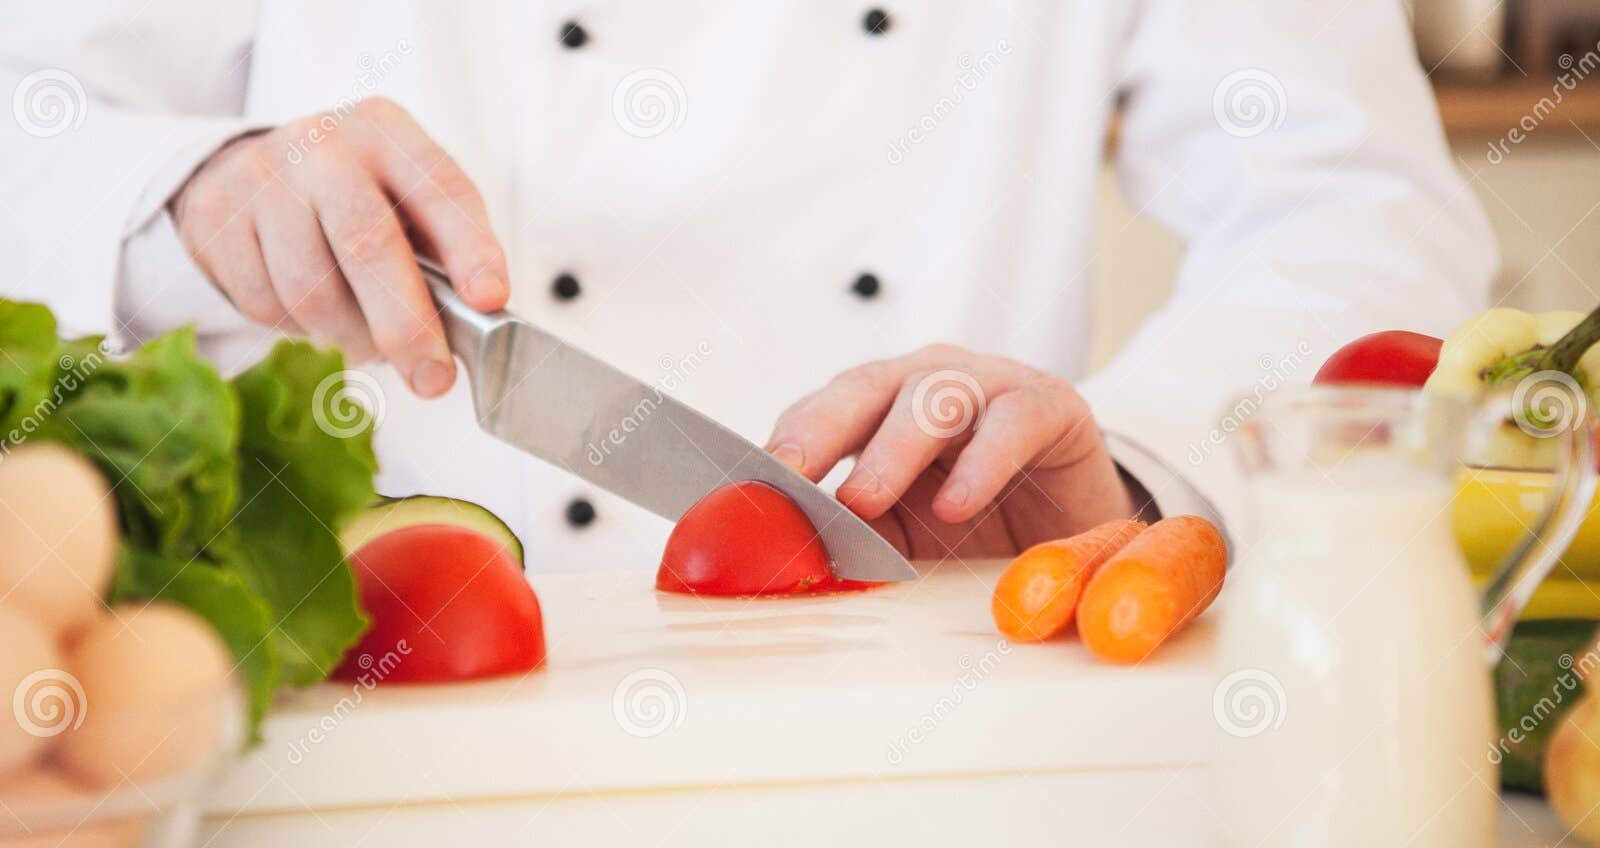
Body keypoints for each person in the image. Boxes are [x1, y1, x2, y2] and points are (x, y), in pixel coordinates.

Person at [0, 2, 1493, 570]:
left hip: (933, 714)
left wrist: (1141, 479)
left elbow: (1355, 211)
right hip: (379, 710)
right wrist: (179, 198)